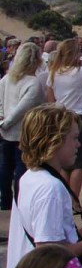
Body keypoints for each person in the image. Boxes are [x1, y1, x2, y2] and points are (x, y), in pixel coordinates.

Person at [6, 105, 82, 268]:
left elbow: (52, 234)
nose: (78, 144)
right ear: (55, 142)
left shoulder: (29, 177)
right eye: (74, 138)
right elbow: (51, 251)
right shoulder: (50, 188)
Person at [43, 37, 82, 197]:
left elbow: (51, 100)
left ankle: (66, 198)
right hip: (80, 115)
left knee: (64, 161)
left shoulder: (52, 73)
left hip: (61, 116)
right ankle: (75, 200)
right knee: (79, 161)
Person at [2, 43, 47, 211]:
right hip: (23, 133)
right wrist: (5, 122)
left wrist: (3, 122)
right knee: (21, 170)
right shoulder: (32, 83)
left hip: (8, 131)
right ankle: (17, 201)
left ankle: (6, 200)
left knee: (6, 167)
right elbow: (21, 109)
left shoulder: (7, 78)